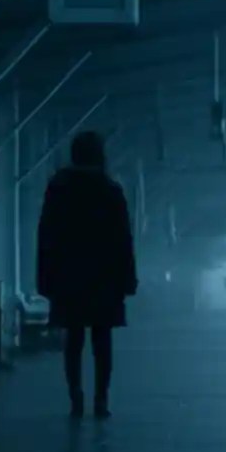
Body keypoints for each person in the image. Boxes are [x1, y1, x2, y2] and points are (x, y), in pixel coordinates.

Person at [36, 130, 138, 419]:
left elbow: (46, 236)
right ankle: (101, 398)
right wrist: (128, 279)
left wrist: (45, 279)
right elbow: (123, 240)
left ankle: (76, 398)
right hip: (104, 278)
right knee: (102, 341)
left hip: (68, 277)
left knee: (74, 340)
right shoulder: (110, 190)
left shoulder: (58, 188)